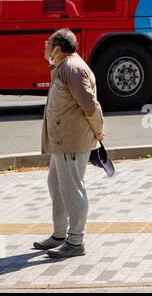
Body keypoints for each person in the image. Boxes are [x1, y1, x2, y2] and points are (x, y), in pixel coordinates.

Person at [35, 28, 105, 258]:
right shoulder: (63, 67)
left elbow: (90, 105)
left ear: (57, 47)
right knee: (56, 185)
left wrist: (98, 131)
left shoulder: (73, 69)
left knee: (72, 189)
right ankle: (60, 234)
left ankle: (76, 242)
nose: (44, 46)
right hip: (62, 141)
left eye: (48, 42)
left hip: (72, 141)